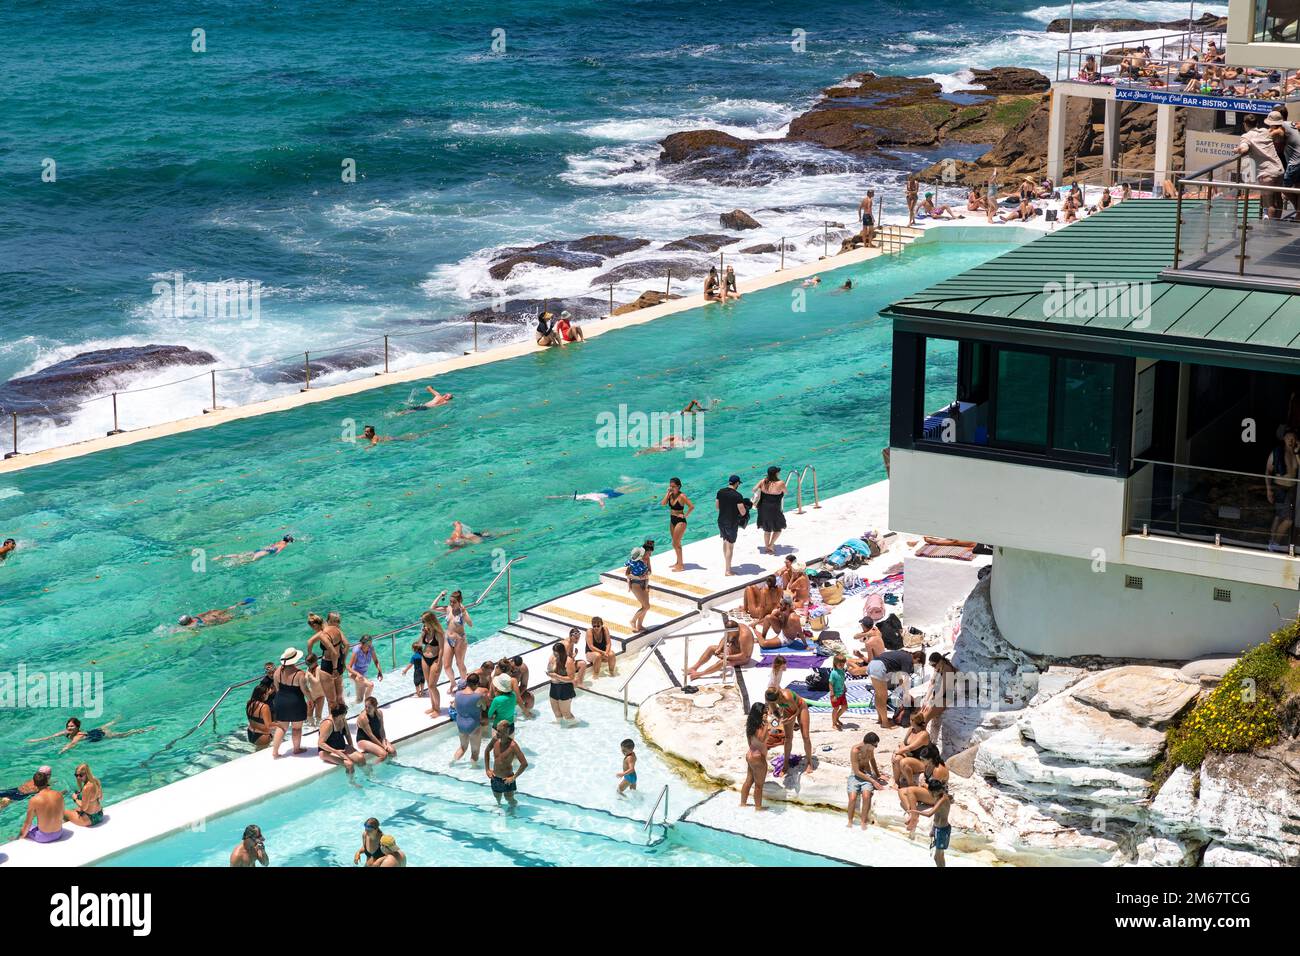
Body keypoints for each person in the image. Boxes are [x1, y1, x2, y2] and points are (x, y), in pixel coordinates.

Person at [1237, 113, 1284, 218]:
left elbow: (1244, 147)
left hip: (1266, 174)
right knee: (1278, 198)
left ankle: (1270, 230)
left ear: (1245, 124)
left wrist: (1238, 150)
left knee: (1269, 204)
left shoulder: (1245, 136)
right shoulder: (1264, 131)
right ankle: (1278, 224)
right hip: (1279, 169)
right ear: (1257, 123)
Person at [866, 648, 922, 730]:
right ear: (917, 659)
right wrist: (907, 694)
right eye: (919, 664)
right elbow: (905, 678)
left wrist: (905, 691)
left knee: (879, 695)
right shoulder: (909, 660)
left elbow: (900, 678)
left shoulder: (903, 656)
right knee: (883, 697)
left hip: (873, 664)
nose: (916, 666)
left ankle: (880, 719)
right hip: (879, 667)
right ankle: (885, 723)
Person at [29, 717, 153, 753]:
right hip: (93, 731)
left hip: (98, 736)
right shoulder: (66, 732)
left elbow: (72, 744)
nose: (69, 728)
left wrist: (63, 750)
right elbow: (50, 737)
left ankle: (143, 730)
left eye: (72, 726)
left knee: (121, 735)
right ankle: (114, 721)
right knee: (103, 726)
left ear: (77, 727)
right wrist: (36, 740)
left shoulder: (78, 735)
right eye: (68, 726)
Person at [765, 685, 813, 777]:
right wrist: (780, 719)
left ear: (779, 697)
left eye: (775, 702)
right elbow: (775, 711)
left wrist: (791, 720)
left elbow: (796, 711)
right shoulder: (770, 697)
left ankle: (809, 762)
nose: (774, 703)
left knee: (805, 736)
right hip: (788, 710)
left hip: (800, 708)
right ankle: (785, 764)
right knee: (788, 738)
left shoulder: (787, 696)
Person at [269, 647, 309, 757]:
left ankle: (275, 752)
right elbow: (305, 690)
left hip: (281, 700)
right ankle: (296, 749)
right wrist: (311, 699)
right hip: (296, 702)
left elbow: (277, 688)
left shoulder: (277, 671)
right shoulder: (300, 674)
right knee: (296, 728)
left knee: (281, 727)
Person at [685, 618, 755, 680]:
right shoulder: (733, 629)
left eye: (729, 633)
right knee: (711, 648)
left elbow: (744, 655)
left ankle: (700, 674)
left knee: (723, 661)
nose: (728, 634)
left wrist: (726, 656)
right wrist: (719, 648)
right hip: (733, 649)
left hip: (743, 658)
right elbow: (725, 638)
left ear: (735, 630)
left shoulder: (744, 636)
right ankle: (694, 667)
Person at [1266, 427, 1299, 551]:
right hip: (1280, 488)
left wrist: (1296, 451)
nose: (1291, 440)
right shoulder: (1277, 452)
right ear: (1284, 439)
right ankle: (1274, 543)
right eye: (1289, 438)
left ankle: (1271, 542)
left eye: (1294, 438)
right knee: (1288, 520)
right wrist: (1269, 489)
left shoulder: (1295, 453)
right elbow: (1268, 471)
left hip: (1291, 489)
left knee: (1279, 516)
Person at [306, 611, 348, 708]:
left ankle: (332, 722)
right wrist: (343, 661)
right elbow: (346, 645)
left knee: (331, 701)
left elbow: (310, 642)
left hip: (328, 665)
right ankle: (342, 720)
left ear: (315, 625)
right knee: (340, 697)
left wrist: (310, 655)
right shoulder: (337, 630)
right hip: (339, 664)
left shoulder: (322, 633)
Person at [846, 733, 887, 828]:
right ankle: (850, 821)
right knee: (852, 798)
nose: (876, 747)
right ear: (869, 744)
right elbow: (856, 771)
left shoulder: (869, 749)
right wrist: (873, 781)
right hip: (855, 775)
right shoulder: (855, 751)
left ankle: (863, 821)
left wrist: (878, 775)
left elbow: (872, 760)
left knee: (866, 796)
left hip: (867, 774)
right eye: (875, 745)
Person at [433, 589, 472, 685]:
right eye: (450, 601)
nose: (451, 603)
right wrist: (440, 595)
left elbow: (470, 624)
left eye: (454, 602)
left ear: (459, 602)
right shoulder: (448, 609)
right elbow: (432, 607)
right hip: (448, 639)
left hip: (460, 640)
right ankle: (453, 683)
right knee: (446, 666)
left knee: (459, 664)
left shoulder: (462, 611)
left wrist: (464, 613)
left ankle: (464, 683)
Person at [485, 720, 528, 808]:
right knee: (497, 796)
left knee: (509, 798)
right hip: (495, 777)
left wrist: (513, 777)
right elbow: (487, 750)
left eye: (500, 731)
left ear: (507, 731)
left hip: (507, 779)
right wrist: (487, 769)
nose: (497, 733)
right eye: (497, 730)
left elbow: (524, 763)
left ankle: (513, 810)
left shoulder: (513, 746)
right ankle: (499, 807)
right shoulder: (495, 740)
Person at [319, 702, 366, 778]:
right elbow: (321, 743)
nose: (346, 714)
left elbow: (347, 734)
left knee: (361, 758)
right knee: (349, 764)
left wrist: (351, 747)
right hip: (327, 751)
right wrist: (336, 751)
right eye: (345, 713)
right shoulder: (328, 723)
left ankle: (366, 776)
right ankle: (352, 782)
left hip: (341, 746)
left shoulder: (342, 719)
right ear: (340, 714)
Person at [17, 770, 63, 843]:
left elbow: (27, 823)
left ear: (35, 785)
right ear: (47, 782)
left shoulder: (34, 800)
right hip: (59, 833)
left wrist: (21, 837)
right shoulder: (59, 794)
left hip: (43, 837)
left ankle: (15, 839)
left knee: (24, 828)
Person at [715, 474, 749, 575]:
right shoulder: (737, 495)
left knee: (725, 541)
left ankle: (727, 564)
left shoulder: (720, 492)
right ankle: (728, 570)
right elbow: (742, 512)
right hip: (731, 522)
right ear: (737, 483)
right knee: (730, 545)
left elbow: (717, 507)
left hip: (721, 520)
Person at [915, 779, 953, 867]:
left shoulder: (943, 799)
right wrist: (933, 829)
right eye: (930, 793)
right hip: (938, 829)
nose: (931, 795)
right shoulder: (938, 797)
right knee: (940, 855)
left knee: (937, 857)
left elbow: (929, 814)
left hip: (942, 831)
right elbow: (936, 815)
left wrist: (915, 811)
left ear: (939, 790)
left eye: (933, 793)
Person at [739, 702, 769, 811]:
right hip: (758, 758)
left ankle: (743, 804)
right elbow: (761, 739)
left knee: (749, 780)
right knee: (759, 785)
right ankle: (758, 808)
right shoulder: (761, 726)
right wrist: (766, 724)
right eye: (764, 712)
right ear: (760, 713)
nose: (766, 714)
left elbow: (750, 741)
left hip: (750, 754)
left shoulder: (750, 725)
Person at [452, 674, 487, 766]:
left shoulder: (457, 694)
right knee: (475, 751)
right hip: (473, 725)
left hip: (460, 725)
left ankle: (452, 763)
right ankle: (474, 768)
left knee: (463, 747)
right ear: (476, 684)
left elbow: (455, 706)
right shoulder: (478, 696)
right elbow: (484, 707)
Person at [661, 477, 694, 571]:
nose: (671, 488)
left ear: (678, 486)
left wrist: (685, 516)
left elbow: (691, 506)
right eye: (670, 486)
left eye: (673, 486)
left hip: (680, 522)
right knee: (676, 543)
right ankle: (678, 562)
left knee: (675, 543)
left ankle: (681, 566)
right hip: (672, 520)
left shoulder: (682, 496)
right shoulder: (670, 495)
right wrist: (667, 493)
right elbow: (663, 504)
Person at [752, 466, 787, 554]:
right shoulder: (780, 483)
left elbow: (754, 489)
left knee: (767, 529)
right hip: (774, 508)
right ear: (776, 473)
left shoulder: (763, 481)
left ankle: (767, 547)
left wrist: (761, 489)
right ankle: (771, 544)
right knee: (778, 528)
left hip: (763, 508)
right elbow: (786, 492)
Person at [892, 712, 933, 786]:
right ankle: (897, 782)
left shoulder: (924, 734)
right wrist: (898, 752)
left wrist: (897, 752)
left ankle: (911, 784)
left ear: (913, 721)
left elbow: (911, 747)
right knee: (897, 759)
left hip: (922, 761)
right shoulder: (911, 729)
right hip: (911, 757)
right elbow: (904, 743)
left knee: (904, 762)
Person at [417, 610, 445, 716]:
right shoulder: (425, 631)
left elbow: (442, 649)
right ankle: (433, 707)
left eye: (424, 621)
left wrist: (439, 661)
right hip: (424, 658)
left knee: (433, 686)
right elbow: (419, 644)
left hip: (435, 659)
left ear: (430, 621)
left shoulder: (438, 633)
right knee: (429, 685)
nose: (423, 624)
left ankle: (437, 709)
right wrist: (422, 634)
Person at [356, 696, 396, 762]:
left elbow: (382, 729)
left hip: (377, 738)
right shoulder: (363, 718)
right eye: (365, 706)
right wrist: (383, 746)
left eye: (369, 707)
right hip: (364, 740)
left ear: (375, 707)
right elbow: (370, 735)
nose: (366, 709)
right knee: (383, 754)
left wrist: (384, 741)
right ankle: (373, 768)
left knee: (392, 752)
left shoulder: (379, 713)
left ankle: (388, 765)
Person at [64, 764, 103, 828]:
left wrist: (75, 799)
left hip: (90, 819)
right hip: (100, 815)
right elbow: (101, 797)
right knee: (74, 810)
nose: (78, 777)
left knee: (63, 812)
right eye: (76, 775)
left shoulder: (86, 788)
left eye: (81, 775)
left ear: (87, 774)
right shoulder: (95, 780)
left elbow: (84, 808)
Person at [546, 642, 577, 723]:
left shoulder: (568, 661)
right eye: (554, 653)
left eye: (556, 654)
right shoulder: (553, 658)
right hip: (554, 686)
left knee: (566, 713)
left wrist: (557, 676)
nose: (555, 655)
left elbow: (571, 678)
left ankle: (574, 725)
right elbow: (550, 669)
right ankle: (560, 725)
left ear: (562, 652)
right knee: (556, 712)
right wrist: (549, 672)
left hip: (565, 688)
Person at [348, 634, 383, 703]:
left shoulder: (371, 648)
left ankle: (351, 705)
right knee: (371, 685)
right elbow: (349, 667)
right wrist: (357, 674)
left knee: (359, 700)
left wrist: (380, 671)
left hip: (363, 674)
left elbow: (376, 661)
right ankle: (367, 706)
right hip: (354, 674)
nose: (370, 646)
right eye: (368, 645)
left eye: (370, 644)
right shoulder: (357, 651)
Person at [177, 597, 254, 628]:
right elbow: (208, 612)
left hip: (214, 619)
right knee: (230, 608)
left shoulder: (193, 624)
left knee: (235, 616)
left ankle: (249, 613)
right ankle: (242, 603)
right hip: (213, 613)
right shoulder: (196, 616)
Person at [625, 545, 651, 633]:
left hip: (645, 584)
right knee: (647, 606)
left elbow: (649, 572)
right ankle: (633, 621)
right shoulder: (633, 562)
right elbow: (627, 574)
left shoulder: (645, 560)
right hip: (636, 584)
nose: (649, 554)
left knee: (645, 606)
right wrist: (639, 577)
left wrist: (646, 576)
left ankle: (639, 625)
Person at [217, 534, 292, 564]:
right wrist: (274, 556)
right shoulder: (284, 545)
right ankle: (235, 564)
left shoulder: (279, 541)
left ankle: (223, 556)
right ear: (288, 541)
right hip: (266, 552)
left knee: (241, 555)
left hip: (261, 549)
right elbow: (278, 551)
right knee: (251, 560)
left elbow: (271, 545)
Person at [245, 683, 274, 749]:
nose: (268, 695)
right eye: (267, 693)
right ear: (263, 695)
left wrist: (269, 691)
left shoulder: (249, 703)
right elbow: (269, 725)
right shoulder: (264, 707)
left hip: (250, 733)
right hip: (262, 736)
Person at [303, 653, 326, 728]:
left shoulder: (318, 668)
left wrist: (309, 675)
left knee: (318, 715)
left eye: (309, 663)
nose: (307, 665)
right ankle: (311, 728)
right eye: (306, 663)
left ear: (315, 662)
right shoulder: (309, 669)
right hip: (311, 695)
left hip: (320, 695)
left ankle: (318, 727)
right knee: (308, 714)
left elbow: (317, 681)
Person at [829, 654, 849, 731]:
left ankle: (836, 718)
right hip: (835, 694)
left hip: (842, 693)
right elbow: (830, 683)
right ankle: (833, 723)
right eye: (839, 664)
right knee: (836, 708)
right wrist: (832, 694)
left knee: (844, 707)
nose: (841, 665)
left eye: (843, 664)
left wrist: (844, 687)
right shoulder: (833, 673)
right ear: (835, 663)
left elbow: (842, 680)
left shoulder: (842, 671)